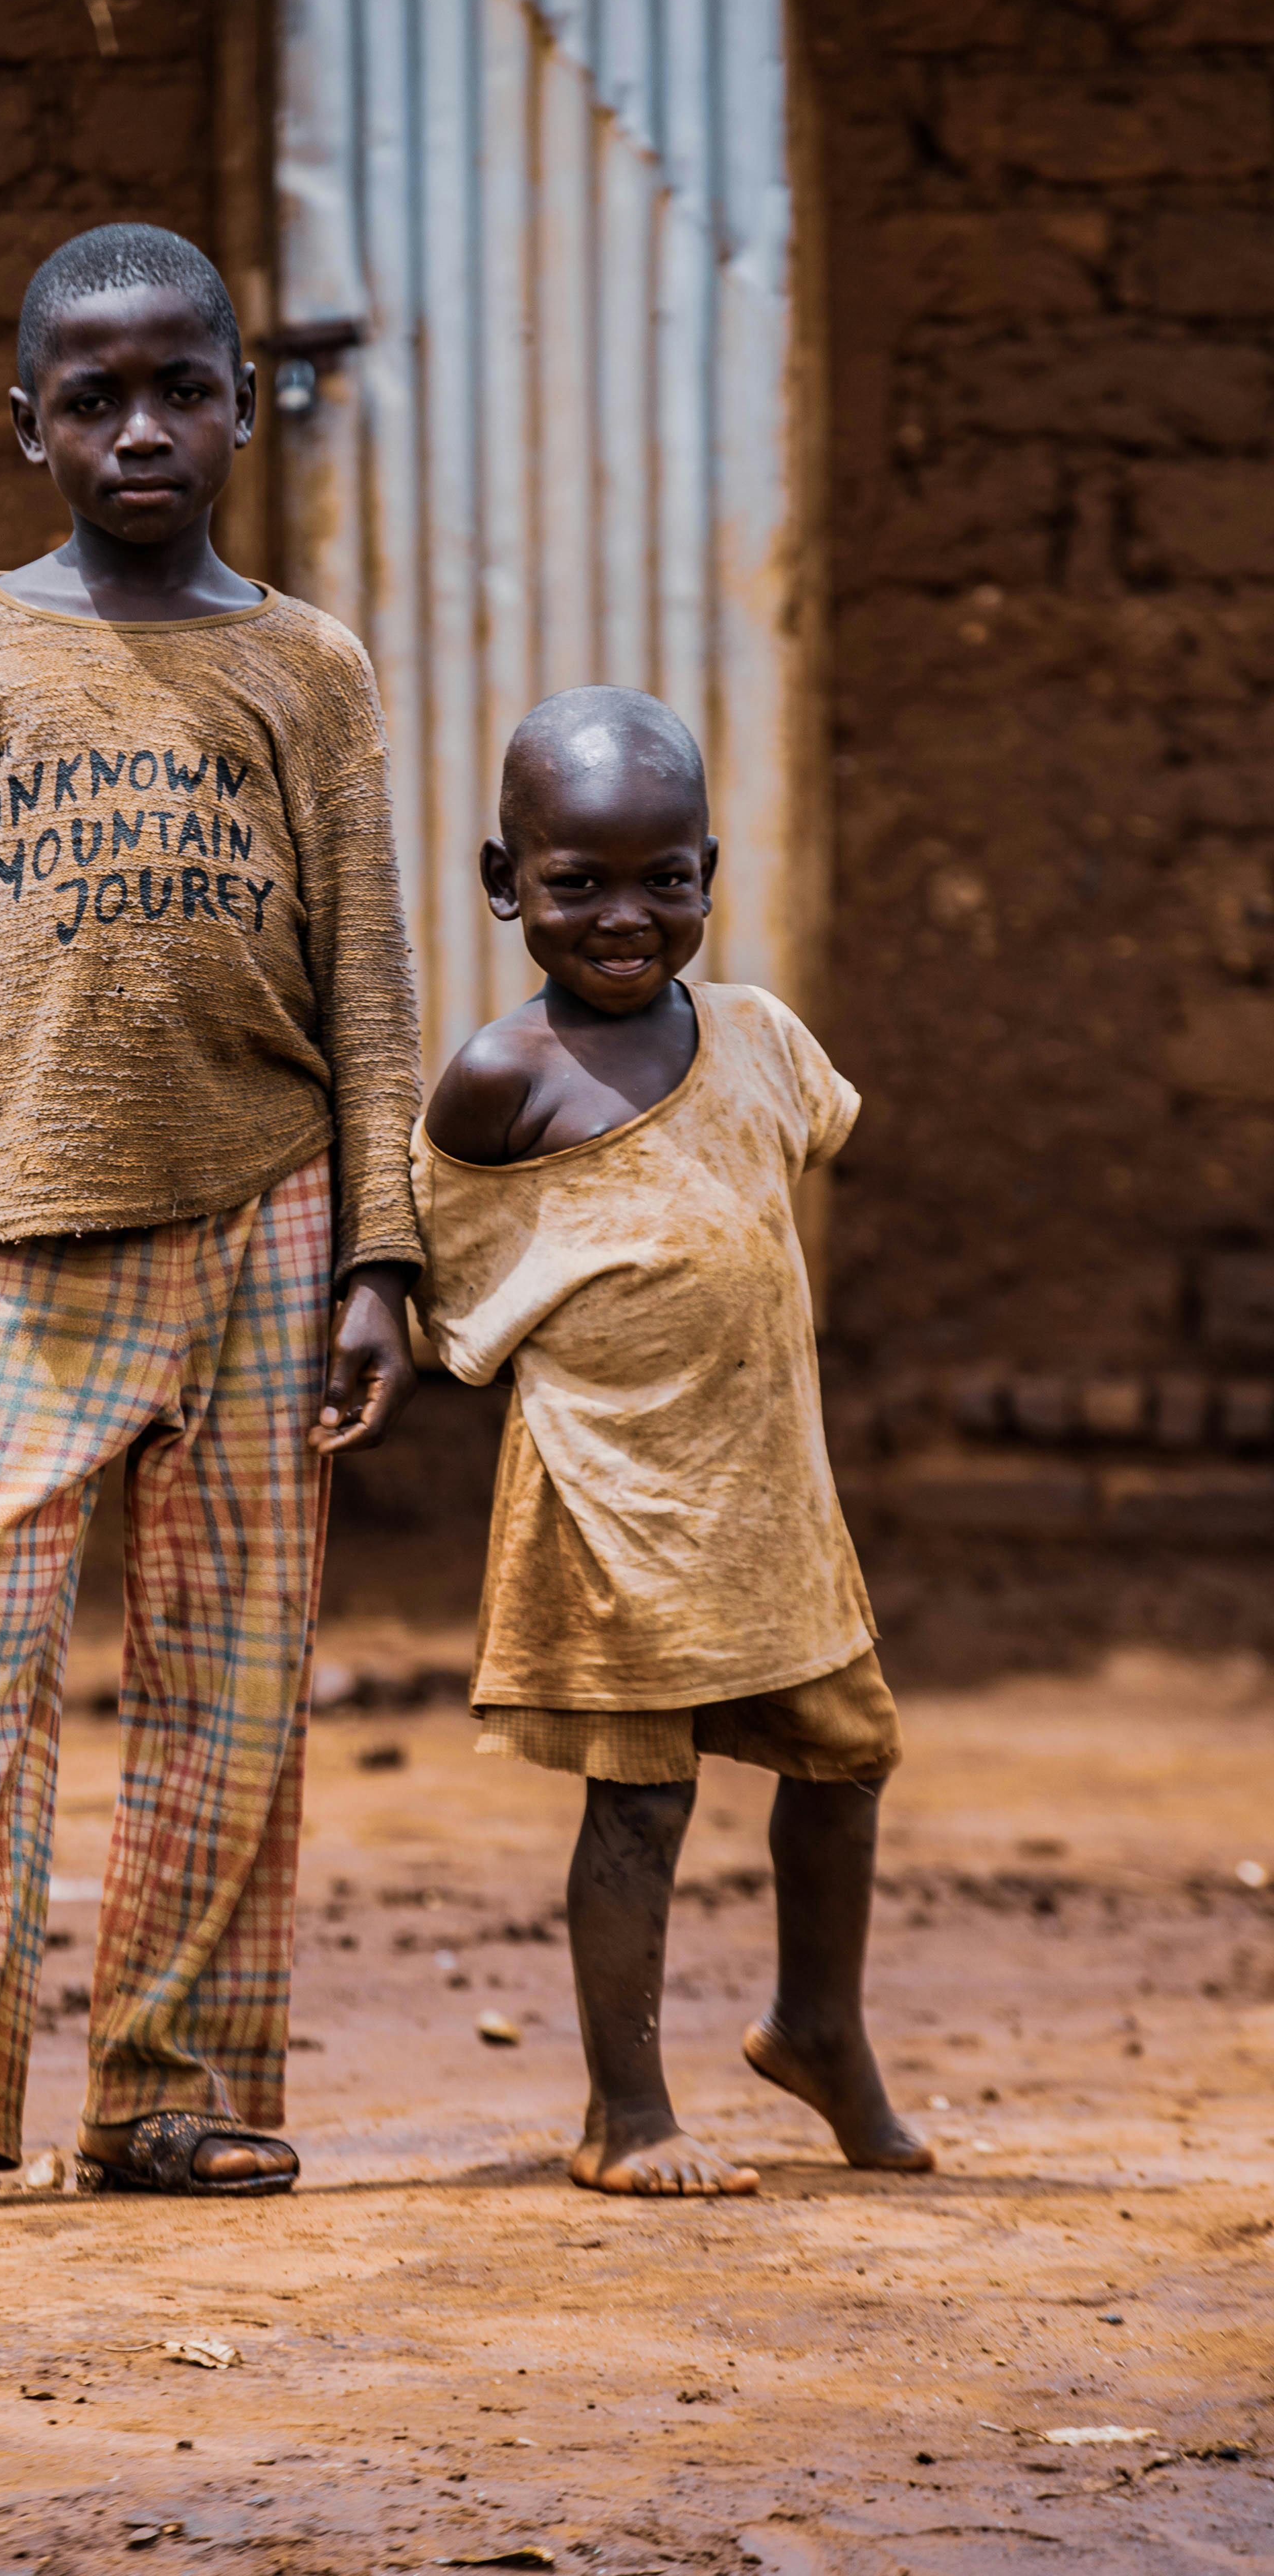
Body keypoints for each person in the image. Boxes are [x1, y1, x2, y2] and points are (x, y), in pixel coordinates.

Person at [0, 224, 422, 2226]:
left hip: (268, 1220)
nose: (141, 431)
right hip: (25, 1238)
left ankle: (180, 2085)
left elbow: (374, 984)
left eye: (179, 390)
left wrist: (382, 1255)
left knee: (232, 1674)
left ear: (240, 399)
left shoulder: (307, 664)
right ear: (26, 424)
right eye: (92, 398)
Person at [414, 687, 930, 2197]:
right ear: (507, 883)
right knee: (640, 1799)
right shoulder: (505, 1079)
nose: (625, 917)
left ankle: (816, 2026)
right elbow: (420, 1246)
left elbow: (790, 1156)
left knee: (848, 1757)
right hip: (608, 1497)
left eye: (666, 880)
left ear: (713, 868)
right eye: (576, 883)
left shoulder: (763, 1039)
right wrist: (375, 1336)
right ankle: (624, 2110)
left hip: (768, 1493)